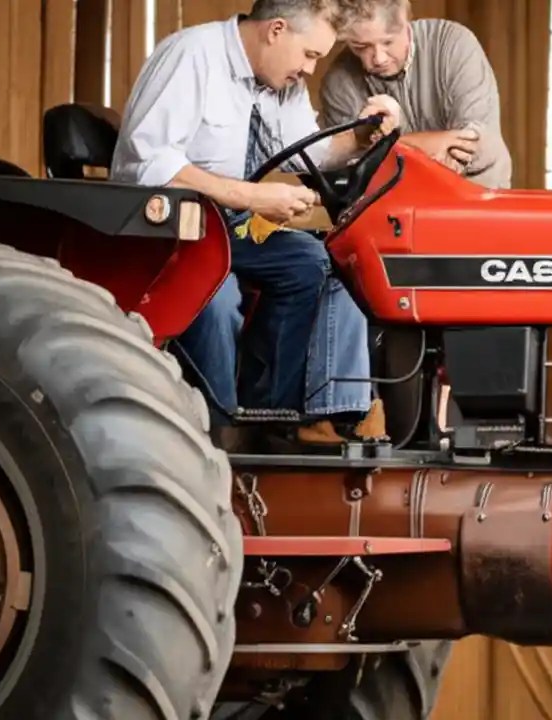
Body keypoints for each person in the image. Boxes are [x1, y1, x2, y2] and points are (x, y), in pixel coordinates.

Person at [111, 0, 401, 445]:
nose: (309, 69)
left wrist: (362, 134)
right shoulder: (192, 57)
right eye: (309, 56)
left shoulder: (278, 83)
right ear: (276, 31)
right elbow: (149, 162)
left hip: (228, 227)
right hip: (166, 228)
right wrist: (252, 195)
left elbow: (311, 149)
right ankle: (218, 430)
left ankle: (270, 417)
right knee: (217, 290)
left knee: (313, 261)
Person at [317, 0, 513, 189]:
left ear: (406, 20)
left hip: (476, 201)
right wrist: (433, 142)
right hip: (393, 210)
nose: (378, 58)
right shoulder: (339, 80)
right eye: (361, 47)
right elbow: (349, 174)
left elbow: (475, 143)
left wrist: (383, 145)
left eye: (388, 41)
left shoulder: (453, 45)